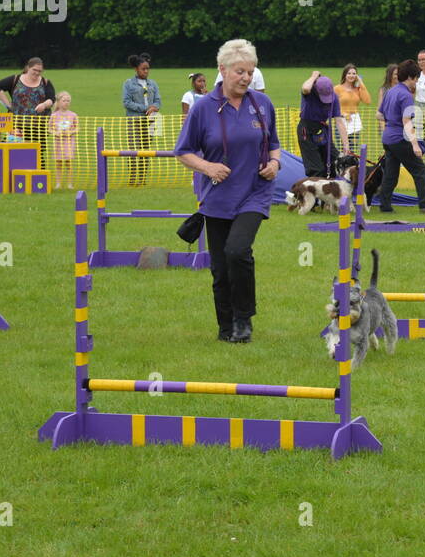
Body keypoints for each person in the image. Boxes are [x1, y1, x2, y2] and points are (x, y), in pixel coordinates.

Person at [176, 39, 281, 345]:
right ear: (222, 70)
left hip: (255, 192)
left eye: (250, 72)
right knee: (220, 268)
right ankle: (226, 328)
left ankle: (244, 319)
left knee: (237, 251)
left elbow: (274, 144)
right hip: (217, 196)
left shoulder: (262, 104)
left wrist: (274, 163)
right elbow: (183, 151)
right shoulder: (202, 109)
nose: (246, 78)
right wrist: (207, 168)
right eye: (240, 72)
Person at [377, 59, 425, 214]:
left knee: (391, 174)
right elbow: (406, 121)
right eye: (416, 78)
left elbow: (380, 113)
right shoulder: (406, 95)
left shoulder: (391, 91)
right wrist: (415, 145)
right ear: (410, 77)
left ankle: (385, 206)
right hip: (399, 138)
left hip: (388, 139)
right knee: (420, 171)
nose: (417, 82)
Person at [0, 57, 56, 168]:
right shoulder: (15, 79)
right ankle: (8, 175)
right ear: (28, 68)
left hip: (38, 127)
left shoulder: (45, 82)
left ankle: (38, 180)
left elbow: (52, 99)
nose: (36, 73)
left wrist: (44, 105)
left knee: (37, 154)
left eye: (39, 71)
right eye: (34, 70)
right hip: (16, 125)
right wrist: (8, 104)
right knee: (10, 150)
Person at [298, 71, 349, 177]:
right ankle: (314, 190)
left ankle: (331, 190)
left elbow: (339, 121)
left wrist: (346, 145)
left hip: (323, 130)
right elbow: (305, 88)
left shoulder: (334, 97)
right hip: (306, 130)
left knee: (335, 162)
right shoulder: (309, 93)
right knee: (316, 169)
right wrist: (313, 77)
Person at [122, 53, 161, 187]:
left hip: (151, 120)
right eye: (143, 69)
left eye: (147, 69)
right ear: (136, 69)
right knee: (134, 149)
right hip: (134, 120)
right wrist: (145, 108)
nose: (146, 71)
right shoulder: (128, 83)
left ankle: (142, 178)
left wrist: (154, 107)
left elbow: (158, 100)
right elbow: (127, 102)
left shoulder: (153, 84)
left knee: (146, 149)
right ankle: (132, 178)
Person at [334, 64, 371, 155]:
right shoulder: (337, 89)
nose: (351, 75)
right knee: (343, 149)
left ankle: (350, 168)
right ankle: (342, 168)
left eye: (354, 73)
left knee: (353, 149)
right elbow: (331, 106)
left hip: (354, 123)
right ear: (345, 75)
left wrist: (361, 83)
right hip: (341, 121)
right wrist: (343, 113)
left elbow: (367, 101)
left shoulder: (357, 89)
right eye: (349, 73)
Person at [49, 91, 79, 189]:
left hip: (69, 142)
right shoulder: (54, 115)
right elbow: (49, 129)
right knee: (58, 163)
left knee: (68, 163)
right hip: (58, 143)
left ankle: (70, 184)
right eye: (64, 100)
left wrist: (71, 132)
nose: (66, 102)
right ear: (58, 102)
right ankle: (58, 183)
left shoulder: (73, 115)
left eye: (68, 101)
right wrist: (55, 133)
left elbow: (77, 128)